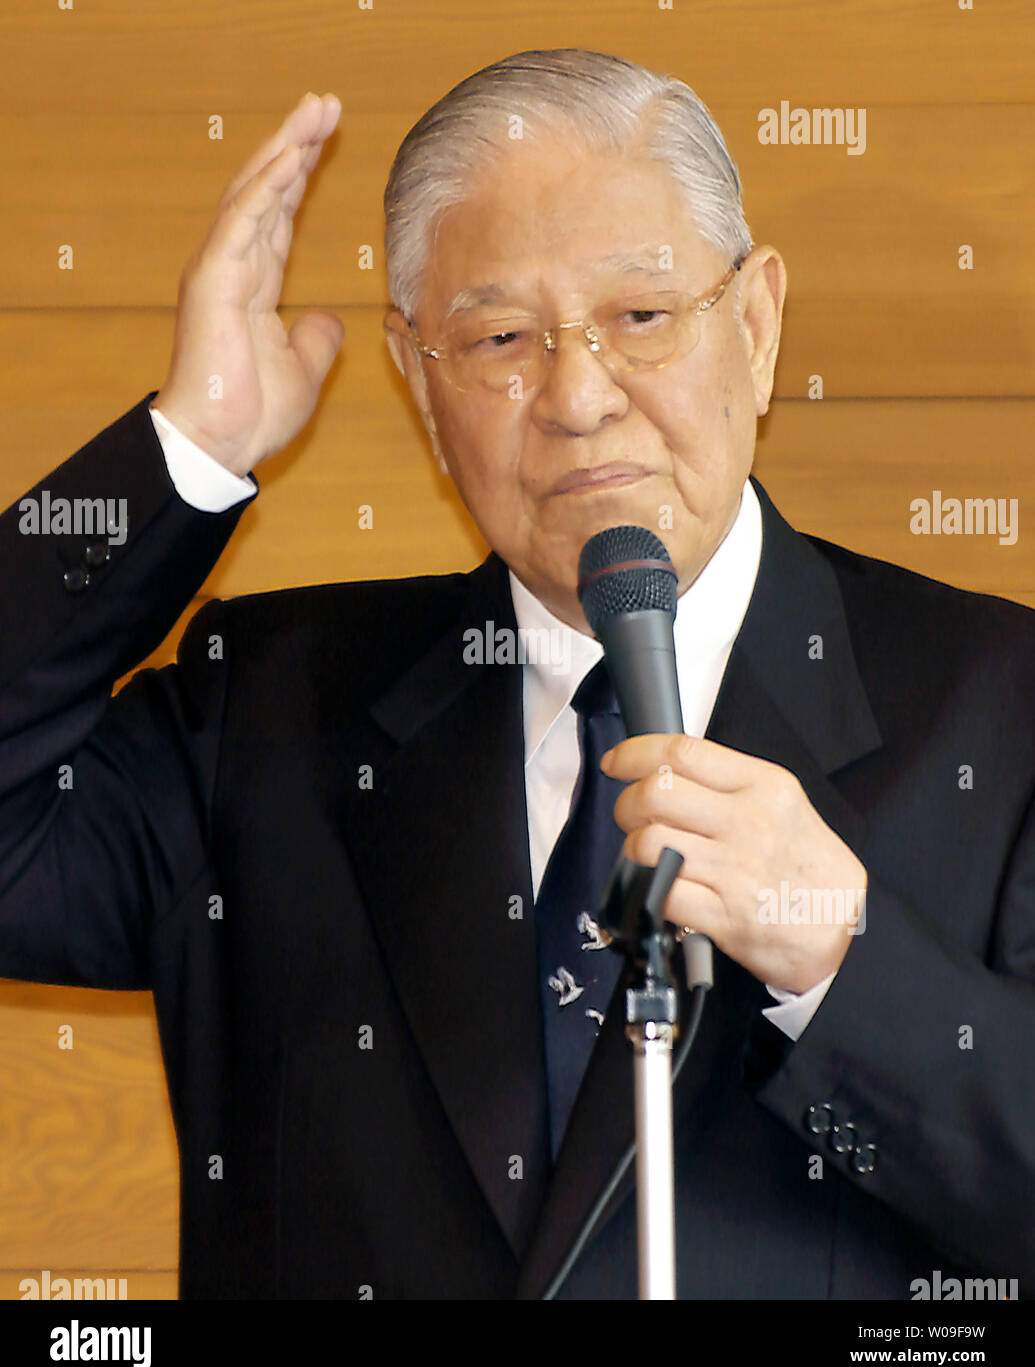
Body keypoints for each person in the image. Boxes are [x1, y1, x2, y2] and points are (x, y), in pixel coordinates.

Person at [1, 50, 1032, 1301]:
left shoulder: (998, 704)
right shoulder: (266, 708)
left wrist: (844, 969)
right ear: (420, 386)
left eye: (641, 318)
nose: (579, 395)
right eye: (499, 337)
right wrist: (190, 448)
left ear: (757, 328)